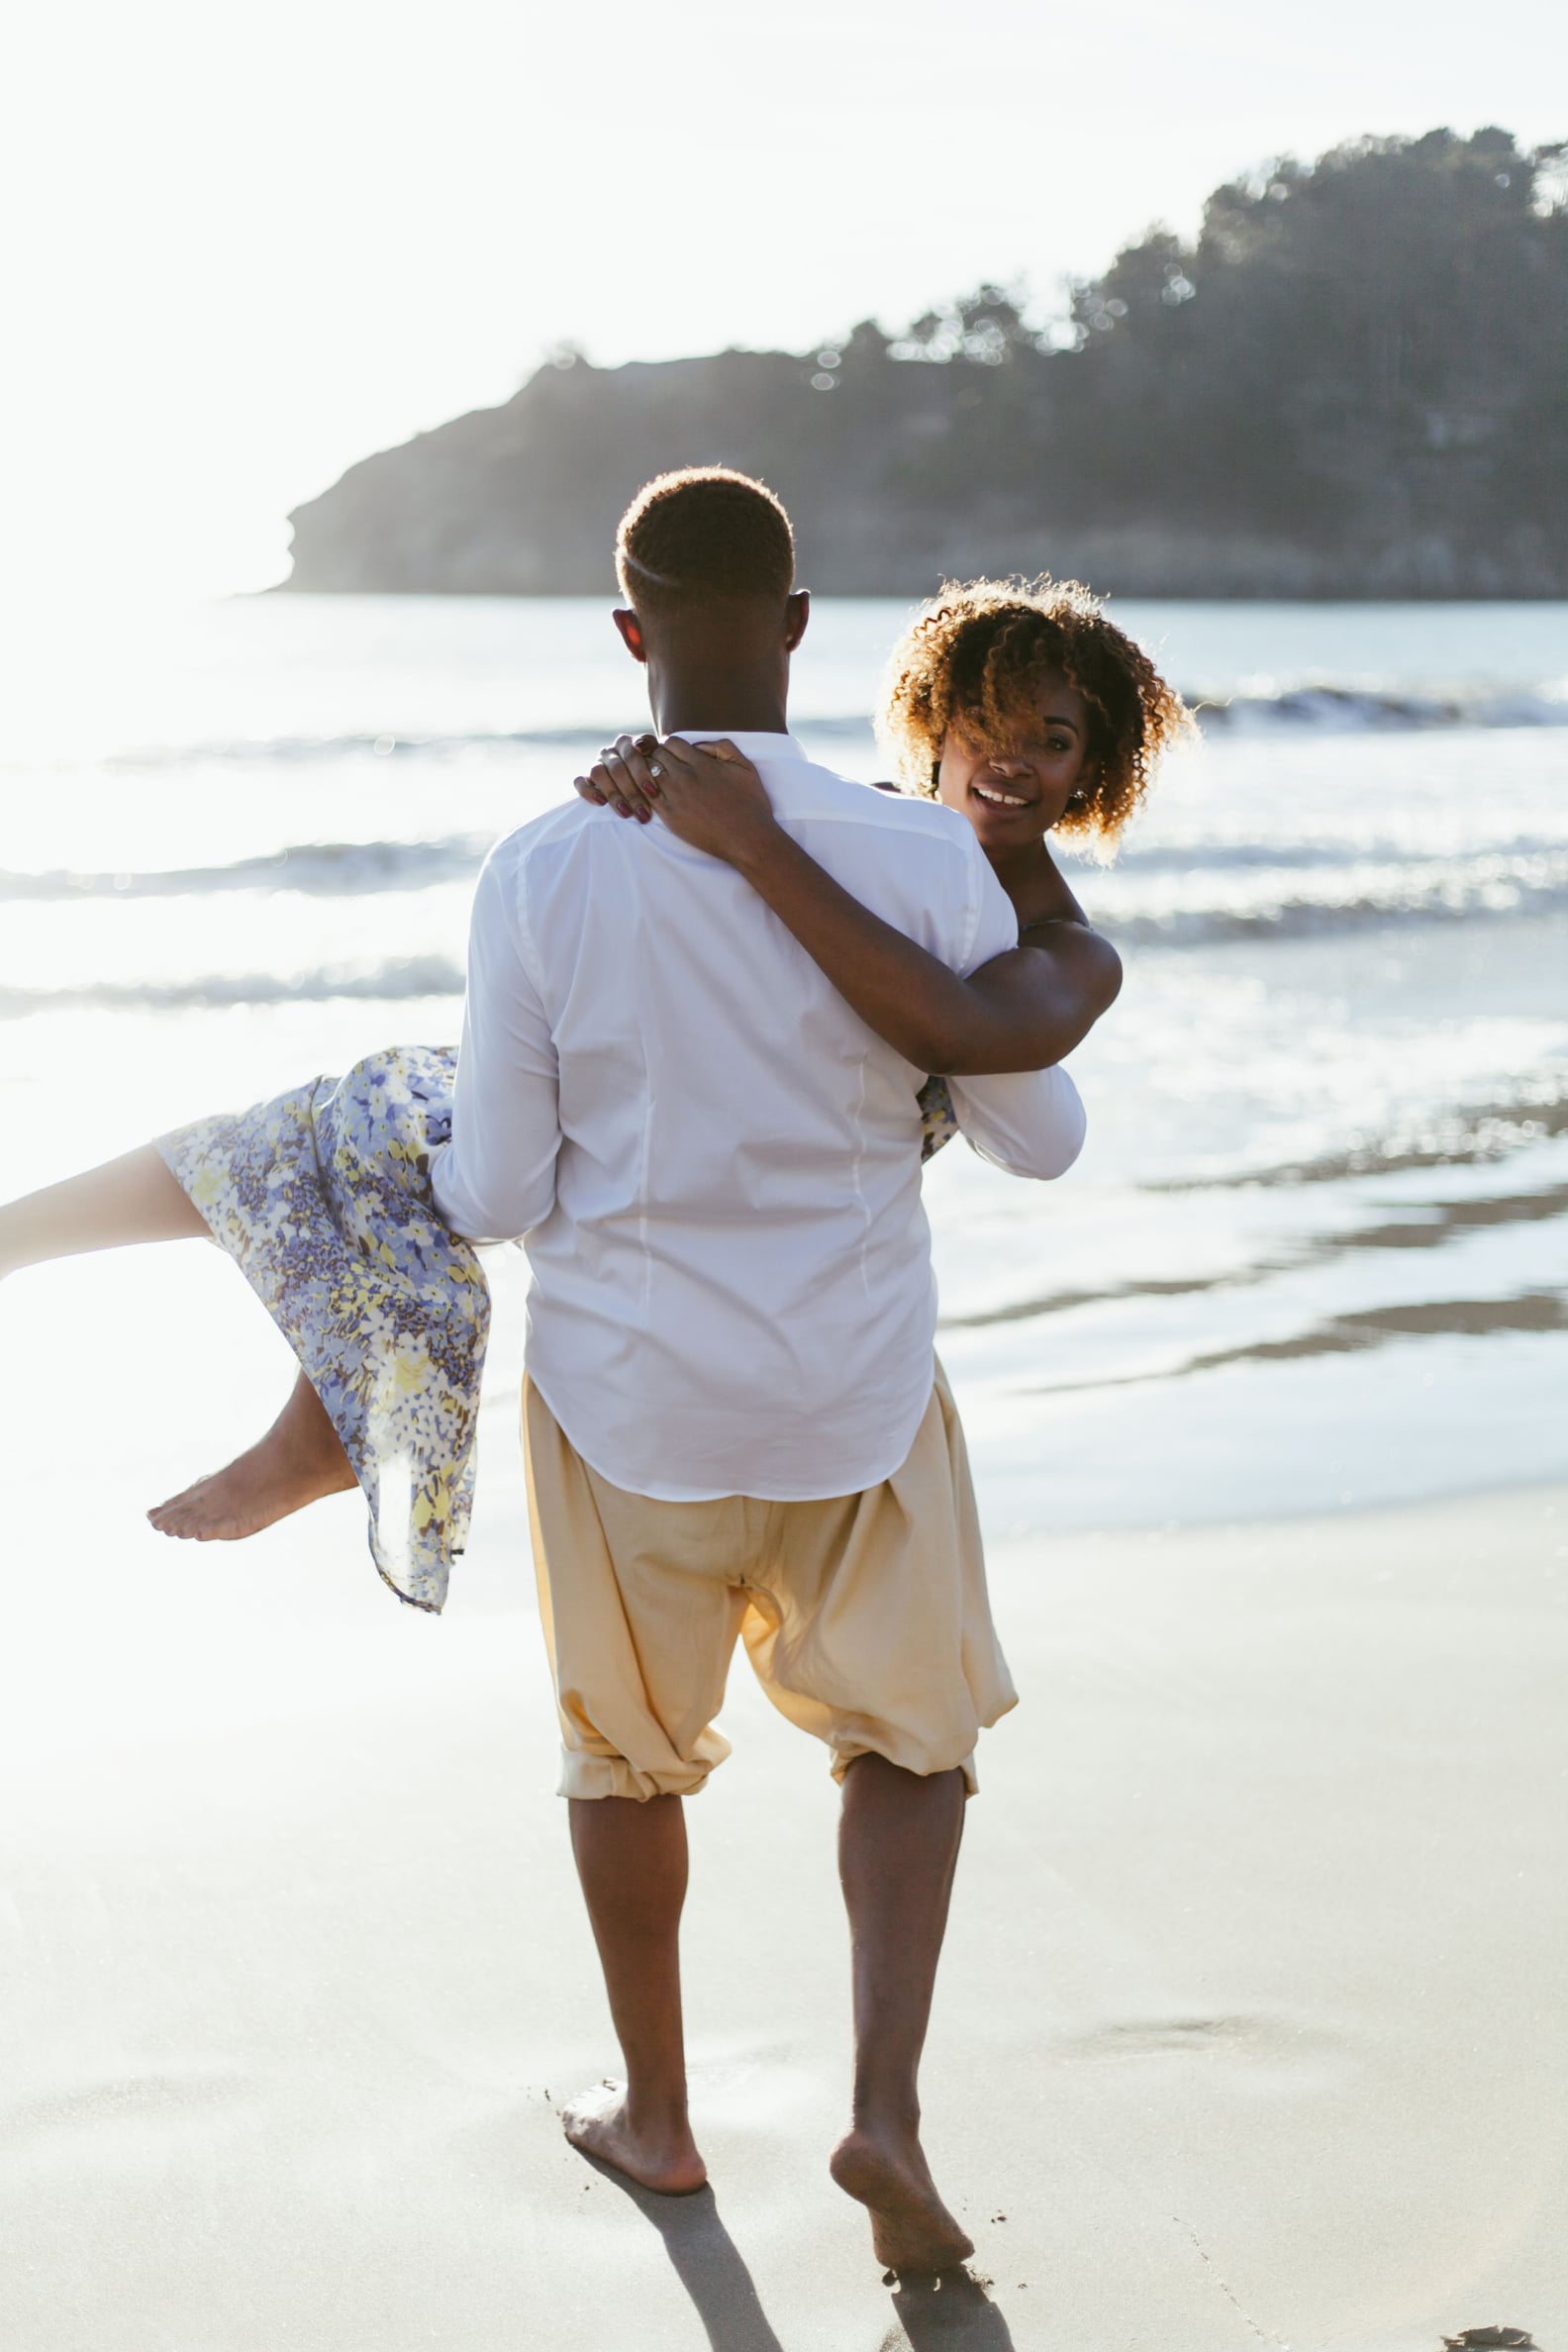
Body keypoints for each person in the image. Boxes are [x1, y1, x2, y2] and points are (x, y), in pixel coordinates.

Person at [415, 466, 1166, 2273]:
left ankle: (660, 2120)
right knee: (907, 1746)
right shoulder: (924, 861)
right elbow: (1035, 1136)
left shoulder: (545, 861)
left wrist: (432, 1156)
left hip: (630, 1407)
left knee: (624, 1765)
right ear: (805, 627)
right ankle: (882, 2114)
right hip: (852, 1392)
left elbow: (499, 1193)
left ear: (629, 634)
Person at [0, 561, 1185, 1619]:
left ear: (1093, 770)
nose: (1010, 761)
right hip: (698, 1121)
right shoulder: (881, 834)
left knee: (390, 1124)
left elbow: (984, 1062)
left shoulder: (1056, 940)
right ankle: (81, 1275)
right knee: (369, 1115)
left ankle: (295, 1415)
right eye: (983, 727)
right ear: (932, 722)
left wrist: (748, 839)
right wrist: (658, 782)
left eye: (1052, 740)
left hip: (770, 1168)